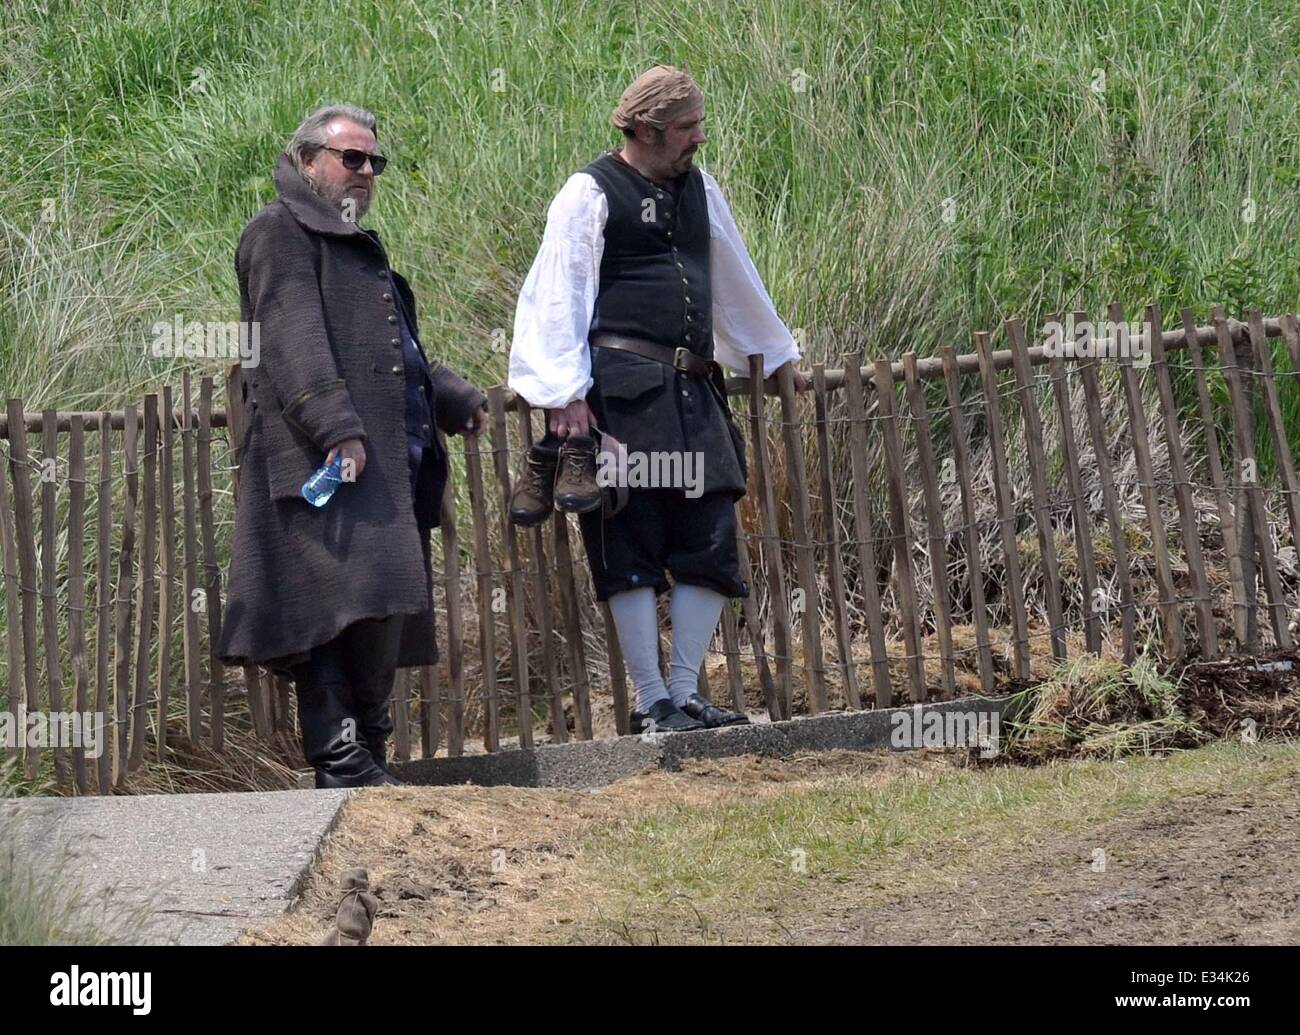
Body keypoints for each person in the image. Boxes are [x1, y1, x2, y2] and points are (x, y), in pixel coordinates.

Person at [507, 66, 806, 734]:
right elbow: (559, 292)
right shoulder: (588, 193)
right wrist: (564, 395)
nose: (698, 138)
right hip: (623, 395)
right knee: (629, 539)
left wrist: (775, 351)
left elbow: (733, 275)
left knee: (711, 536)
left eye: (698, 123)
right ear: (644, 129)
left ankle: (683, 692)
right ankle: (650, 702)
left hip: (692, 389)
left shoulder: (702, 189)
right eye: (685, 128)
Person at [217, 104, 487, 786]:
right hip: (324, 462)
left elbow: (394, 352)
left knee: (381, 607)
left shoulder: (351, 243)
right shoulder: (278, 232)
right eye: (351, 159)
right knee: (330, 615)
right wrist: (335, 426)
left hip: (382, 467)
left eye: (375, 162)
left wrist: (448, 394)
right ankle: (341, 764)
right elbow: (292, 340)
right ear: (309, 161)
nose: (366, 172)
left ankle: (367, 756)